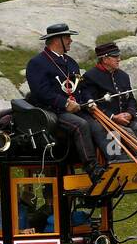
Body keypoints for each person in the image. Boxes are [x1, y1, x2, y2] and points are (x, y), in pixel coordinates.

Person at [25, 23, 109, 183]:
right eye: (67, 37)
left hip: (75, 108)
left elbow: (81, 86)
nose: (71, 40)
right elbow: (40, 92)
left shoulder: (71, 62)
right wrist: (64, 103)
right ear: (57, 40)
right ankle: (92, 169)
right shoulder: (37, 63)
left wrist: (88, 101)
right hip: (52, 112)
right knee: (81, 125)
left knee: (98, 124)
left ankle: (111, 162)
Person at [77, 41, 137, 160]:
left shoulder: (123, 76)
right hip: (108, 122)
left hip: (127, 118)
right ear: (105, 59)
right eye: (115, 56)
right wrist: (113, 117)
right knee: (127, 133)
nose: (119, 59)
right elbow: (92, 105)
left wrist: (129, 113)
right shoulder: (90, 77)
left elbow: (131, 99)